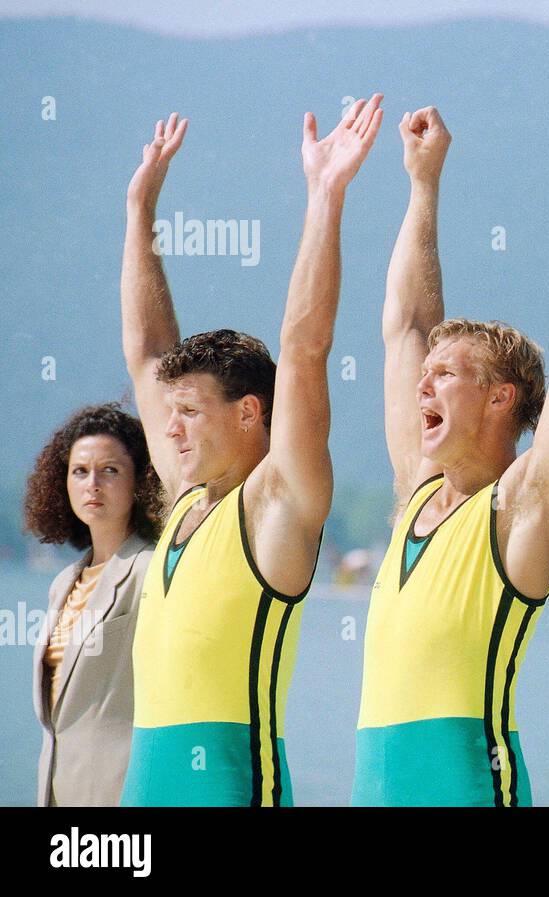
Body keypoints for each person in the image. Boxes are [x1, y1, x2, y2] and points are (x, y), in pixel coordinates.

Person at [350, 97, 549, 805]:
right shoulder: (417, 490)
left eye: (446, 373)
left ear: (500, 397)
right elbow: (407, 324)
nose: (423, 380)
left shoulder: (518, 512)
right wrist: (423, 183)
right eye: (428, 375)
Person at [117, 98, 384, 805]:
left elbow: (303, 349)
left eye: (188, 412)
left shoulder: (275, 507)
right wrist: (139, 212)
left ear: (249, 412)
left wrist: (325, 195)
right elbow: (147, 353)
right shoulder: (185, 498)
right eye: (168, 413)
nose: (167, 430)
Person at [25, 403, 163, 806]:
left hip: (121, 796)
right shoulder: (63, 583)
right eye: (80, 471)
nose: (93, 484)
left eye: (110, 470)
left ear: (140, 480)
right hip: (56, 793)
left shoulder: (151, 569)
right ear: (61, 482)